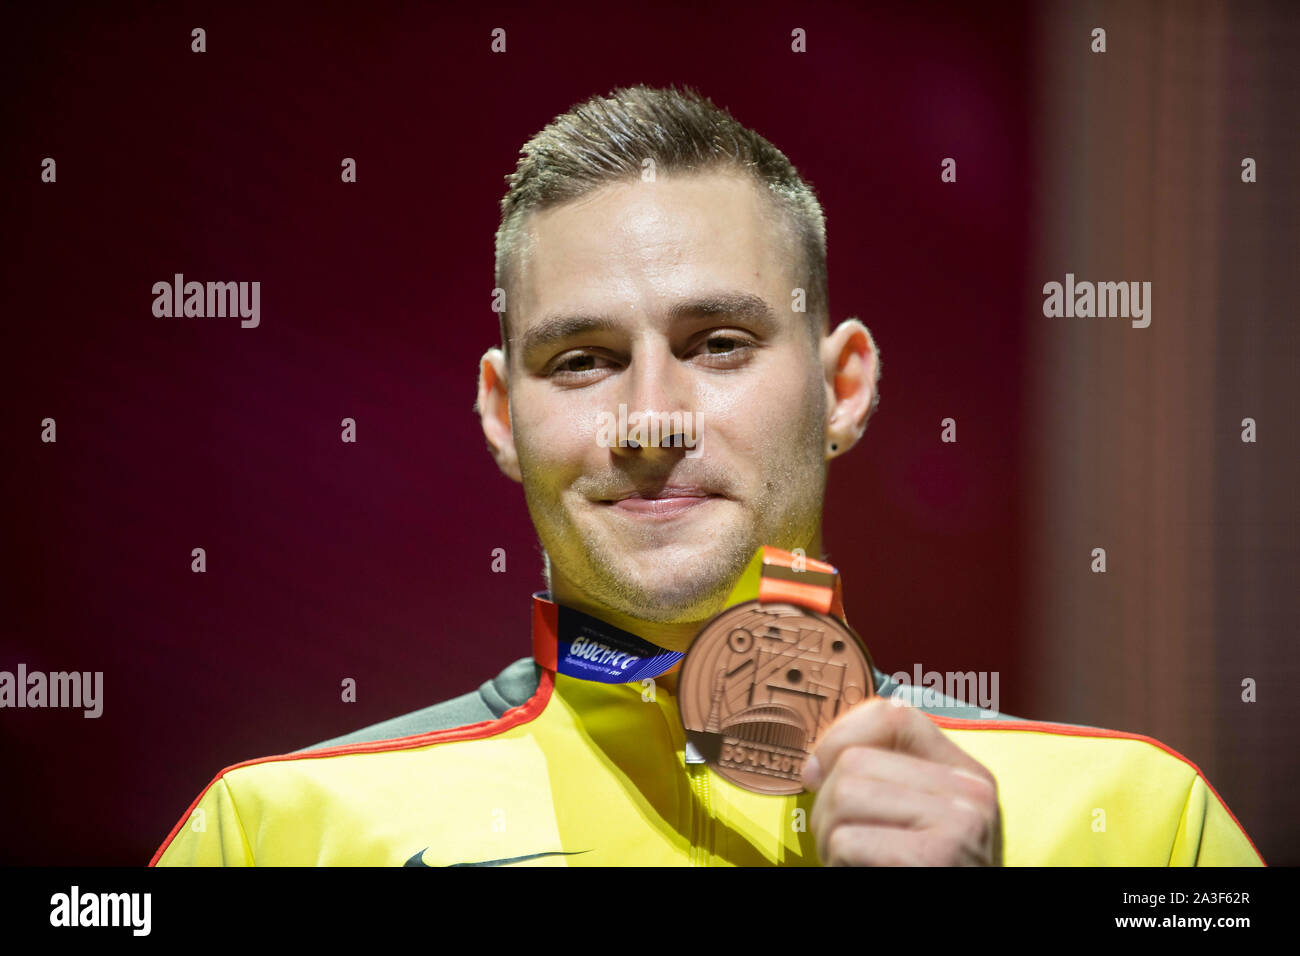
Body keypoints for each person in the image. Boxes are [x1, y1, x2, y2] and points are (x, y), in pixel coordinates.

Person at [151, 84, 1263, 867]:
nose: (648, 416)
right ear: (502, 413)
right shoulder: (275, 833)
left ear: (843, 386)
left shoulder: (1140, 818)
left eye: (719, 342)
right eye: (580, 359)